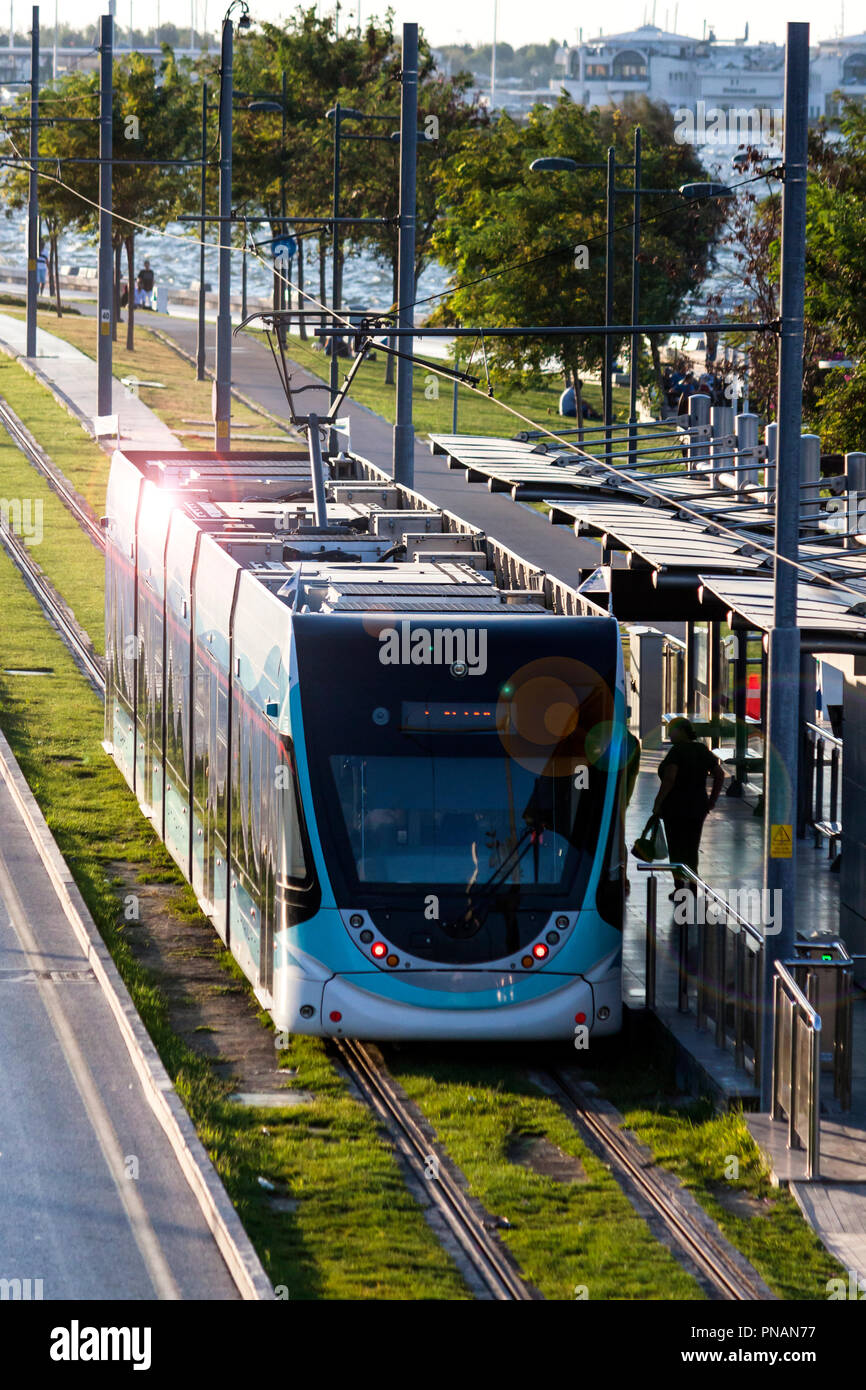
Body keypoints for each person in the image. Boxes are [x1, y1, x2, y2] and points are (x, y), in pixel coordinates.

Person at [652, 716, 724, 894]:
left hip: (675, 808)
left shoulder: (677, 751)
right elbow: (719, 774)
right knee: (691, 849)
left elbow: (669, 779)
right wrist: (712, 800)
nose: (669, 735)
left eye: (672, 731)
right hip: (698, 807)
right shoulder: (701, 749)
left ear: (682, 731)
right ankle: (691, 888)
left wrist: (657, 803)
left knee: (677, 850)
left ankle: (680, 889)